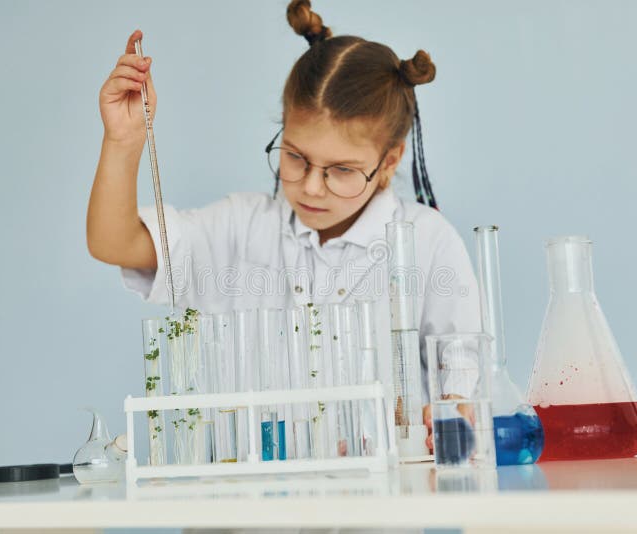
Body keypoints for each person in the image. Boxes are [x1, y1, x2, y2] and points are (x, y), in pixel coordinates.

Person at [87, 0, 481, 452]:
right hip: (244, 516)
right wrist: (123, 141)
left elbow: (463, 375)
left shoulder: (427, 241)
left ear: (389, 161)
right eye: (295, 157)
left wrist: (452, 410)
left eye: (342, 170)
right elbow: (112, 243)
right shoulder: (240, 227)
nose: (312, 187)